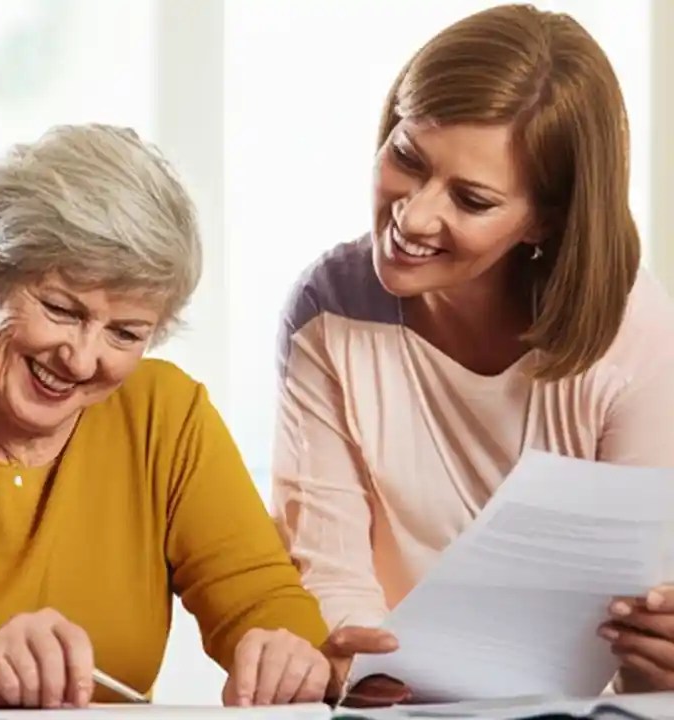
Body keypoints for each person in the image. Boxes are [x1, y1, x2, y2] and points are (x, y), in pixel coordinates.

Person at [0, 123, 351, 711]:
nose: (82, 359)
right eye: (61, 309)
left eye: (126, 332)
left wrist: (288, 651)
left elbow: (258, 592)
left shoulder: (168, 413)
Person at [272, 3, 674, 699]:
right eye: (407, 159)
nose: (416, 216)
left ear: (544, 219)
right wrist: (365, 670)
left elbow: (639, 602)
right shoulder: (327, 309)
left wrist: (657, 662)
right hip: (391, 702)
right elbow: (329, 572)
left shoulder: (633, 331)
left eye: (473, 199)